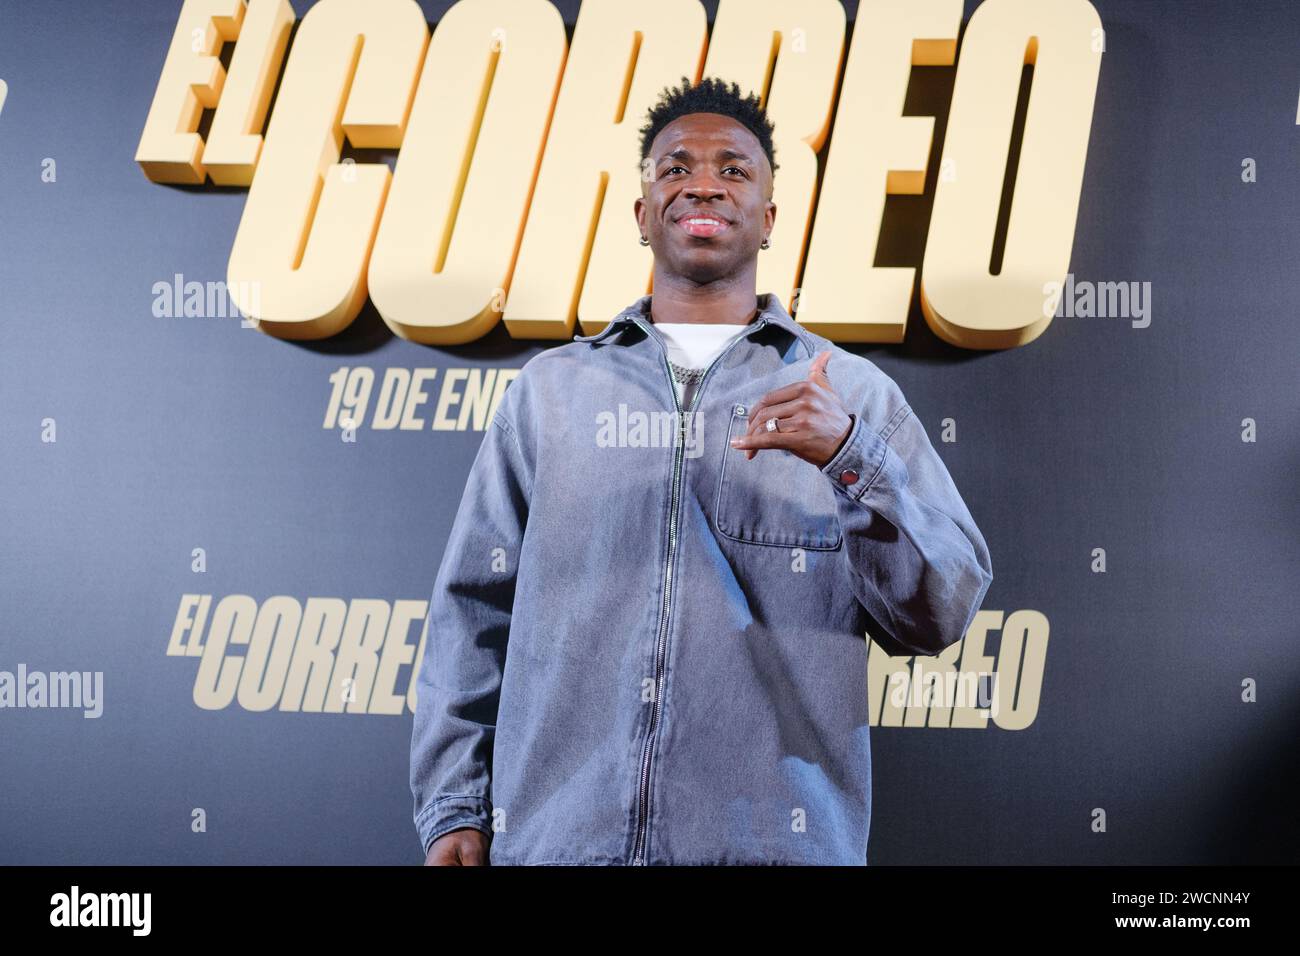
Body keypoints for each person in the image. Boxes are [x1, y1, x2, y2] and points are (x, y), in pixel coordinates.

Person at [410, 76, 993, 866]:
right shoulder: (550, 394)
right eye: (675, 168)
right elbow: (470, 615)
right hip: (559, 848)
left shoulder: (849, 394)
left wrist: (852, 456)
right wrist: (454, 807)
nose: (704, 182)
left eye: (734, 168)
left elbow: (942, 610)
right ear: (644, 213)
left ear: (770, 218)